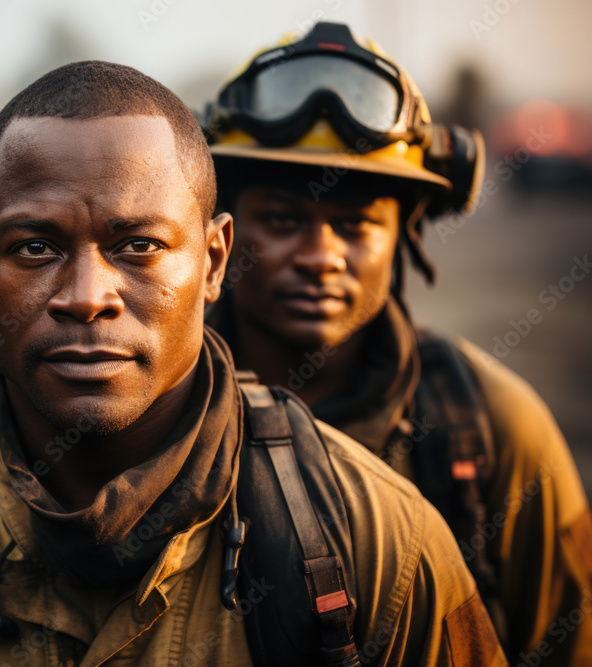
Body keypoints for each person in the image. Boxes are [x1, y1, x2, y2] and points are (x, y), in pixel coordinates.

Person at [0, 60, 505, 666]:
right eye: (35, 247)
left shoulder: (384, 550)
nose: (87, 296)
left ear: (217, 258)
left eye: (138, 247)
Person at [204, 21, 592, 664]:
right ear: (220, 230)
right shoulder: (148, 413)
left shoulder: (497, 427)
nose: (320, 256)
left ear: (405, 236)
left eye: (355, 224)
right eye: (280, 219)